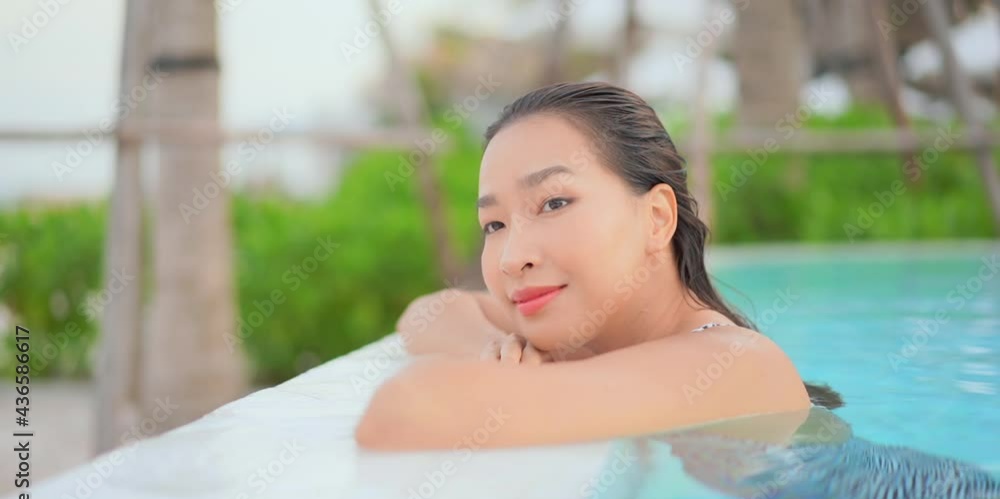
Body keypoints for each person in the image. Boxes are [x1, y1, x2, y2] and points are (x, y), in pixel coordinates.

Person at [355, 81, 840, 451]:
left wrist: (522, 378)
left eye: (554, 203)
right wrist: (500, 351)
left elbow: (405, 411)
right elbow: (429, 314)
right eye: (494, 224)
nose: (511, 257)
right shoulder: (591, 338)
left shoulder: (735, 365)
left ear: (656, 218)